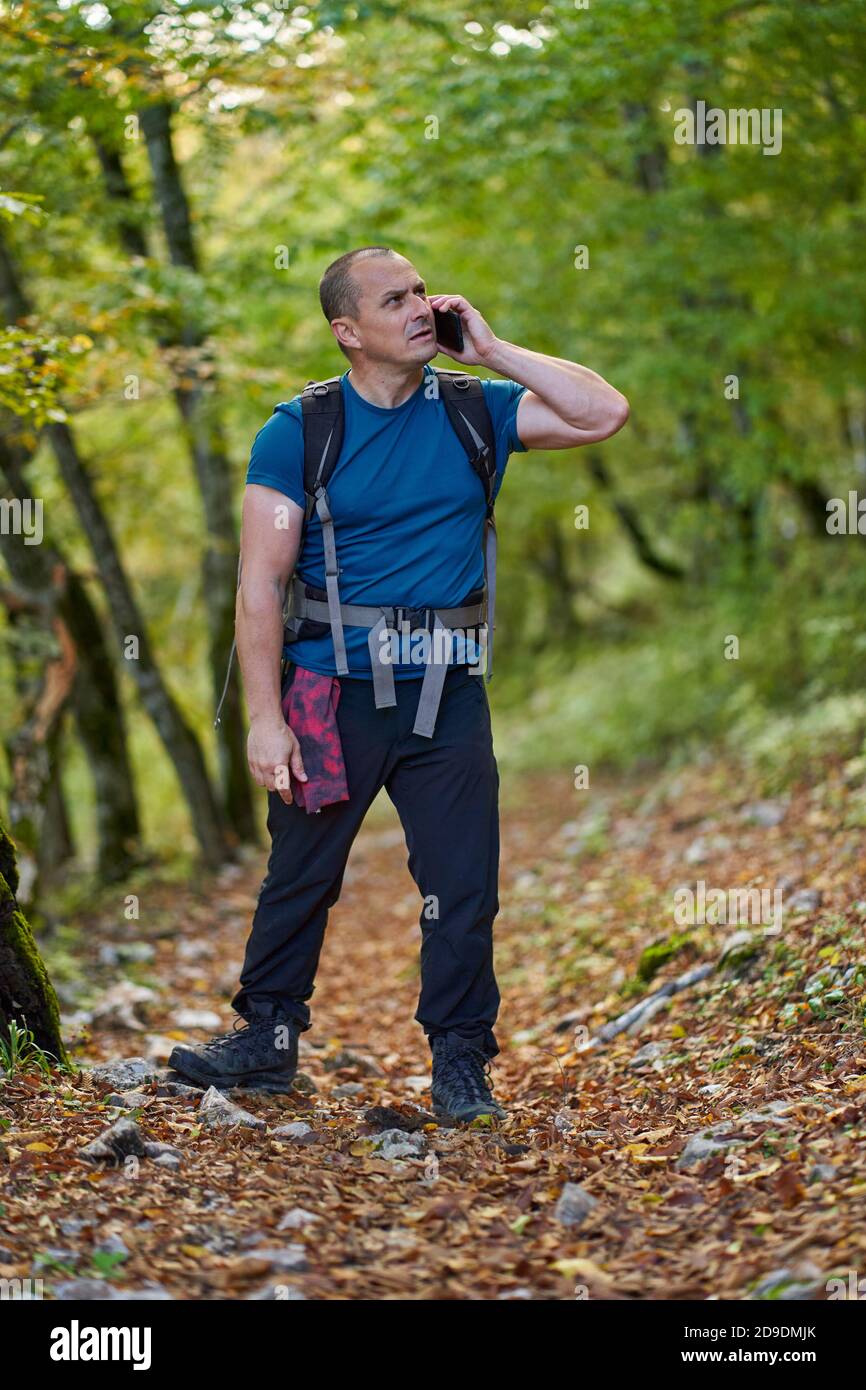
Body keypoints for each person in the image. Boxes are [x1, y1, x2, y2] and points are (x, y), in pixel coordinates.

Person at [168, 246, 629, 1120]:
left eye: (422, 291)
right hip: (326, 696)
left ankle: (460, 1062)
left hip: (446, 696)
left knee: (461, 885)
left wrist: (491, 350)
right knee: (301, 874)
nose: (422, 306)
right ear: (348, 331)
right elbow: (259, 585)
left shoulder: (477, 409)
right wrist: (265, 721)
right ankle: (266, 1038)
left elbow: (605, 412)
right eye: (395, 299)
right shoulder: (298, 430)